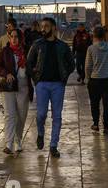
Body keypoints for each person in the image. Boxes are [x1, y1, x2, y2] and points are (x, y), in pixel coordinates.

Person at [27, 16, 74, 158]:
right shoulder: (37, 44)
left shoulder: (62, 46)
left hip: (58, 85)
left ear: (54, 28)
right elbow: (29, 63)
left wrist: (64, 77)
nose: (43, 29)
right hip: (42, 85)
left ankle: (53, 145)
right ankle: (40, 134)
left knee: (57, 115)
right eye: (42, 26)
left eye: (46, 26)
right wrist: (36, 79)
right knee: (41, 114)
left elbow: (71, 64)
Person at [0, 22, 32, 154]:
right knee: (10, 115)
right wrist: (6, 73)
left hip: (23, 87)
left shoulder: (27, 51)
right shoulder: (5, 52)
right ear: (9, 38)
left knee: (21, 115)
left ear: (21, 39)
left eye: (16, 37)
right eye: (12, 36)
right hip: (8, 88)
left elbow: (33, 67)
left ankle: (18, 139)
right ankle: (8, 144)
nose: (14, 39)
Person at [84, 25, 108, 134]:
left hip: (95, 80)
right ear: (104, 36)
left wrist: (88, 78)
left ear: (94, 36)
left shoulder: (91, 48)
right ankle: (106, 126)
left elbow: (88, 66)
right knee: (107, 104)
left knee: (94, 103)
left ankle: (95, 124)